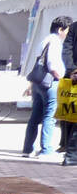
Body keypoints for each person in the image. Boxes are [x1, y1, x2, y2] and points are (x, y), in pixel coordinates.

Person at [23, 16, 72, 157]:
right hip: (50, 83)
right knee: (49, 117)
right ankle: (45, 150)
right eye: (67, 31)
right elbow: (52, 64)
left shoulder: (44, 40)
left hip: (38, 82)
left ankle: (28, 149)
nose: (67, 34)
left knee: (34, 117)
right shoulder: (55, 42)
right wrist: (60, 76)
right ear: (60, 29)